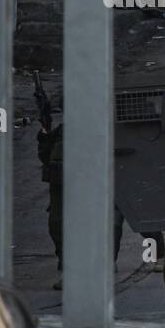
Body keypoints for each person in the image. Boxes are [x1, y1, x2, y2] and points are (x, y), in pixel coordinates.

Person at [37, 122, 125, 290]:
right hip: (60, 185)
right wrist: (43, 138)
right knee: (57, 227)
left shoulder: (97, 125)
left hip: (86, 183)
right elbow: (45, 156)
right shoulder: (62, 129)